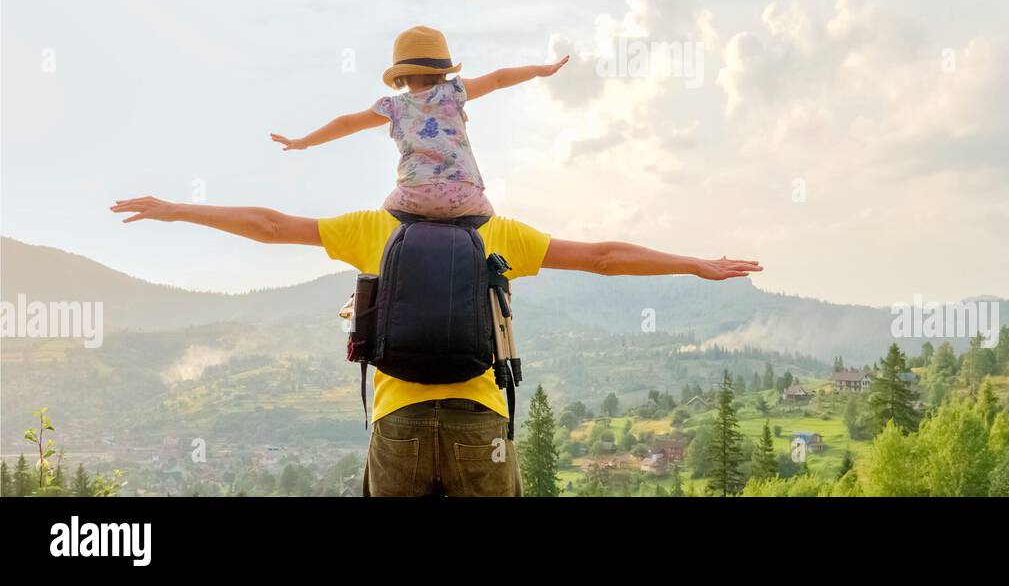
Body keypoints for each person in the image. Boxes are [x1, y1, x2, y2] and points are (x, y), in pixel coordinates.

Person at [110, 195, 761, 497]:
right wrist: (694, 263)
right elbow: (607, 257)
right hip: (483, 427)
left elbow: (270, 224)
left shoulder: (372, 228)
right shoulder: (500, 232)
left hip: (398, 426)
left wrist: (177, 209)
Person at [270, 25, 569, 220]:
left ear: (401, 75)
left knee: (381, 229)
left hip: (412, 196)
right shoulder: (455, 91)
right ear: (443, 69)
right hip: (464, 196)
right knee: (493, 233)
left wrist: (303, 142)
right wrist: (541, 70)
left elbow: (347, 123)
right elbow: (500, 78)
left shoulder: (394, 106)